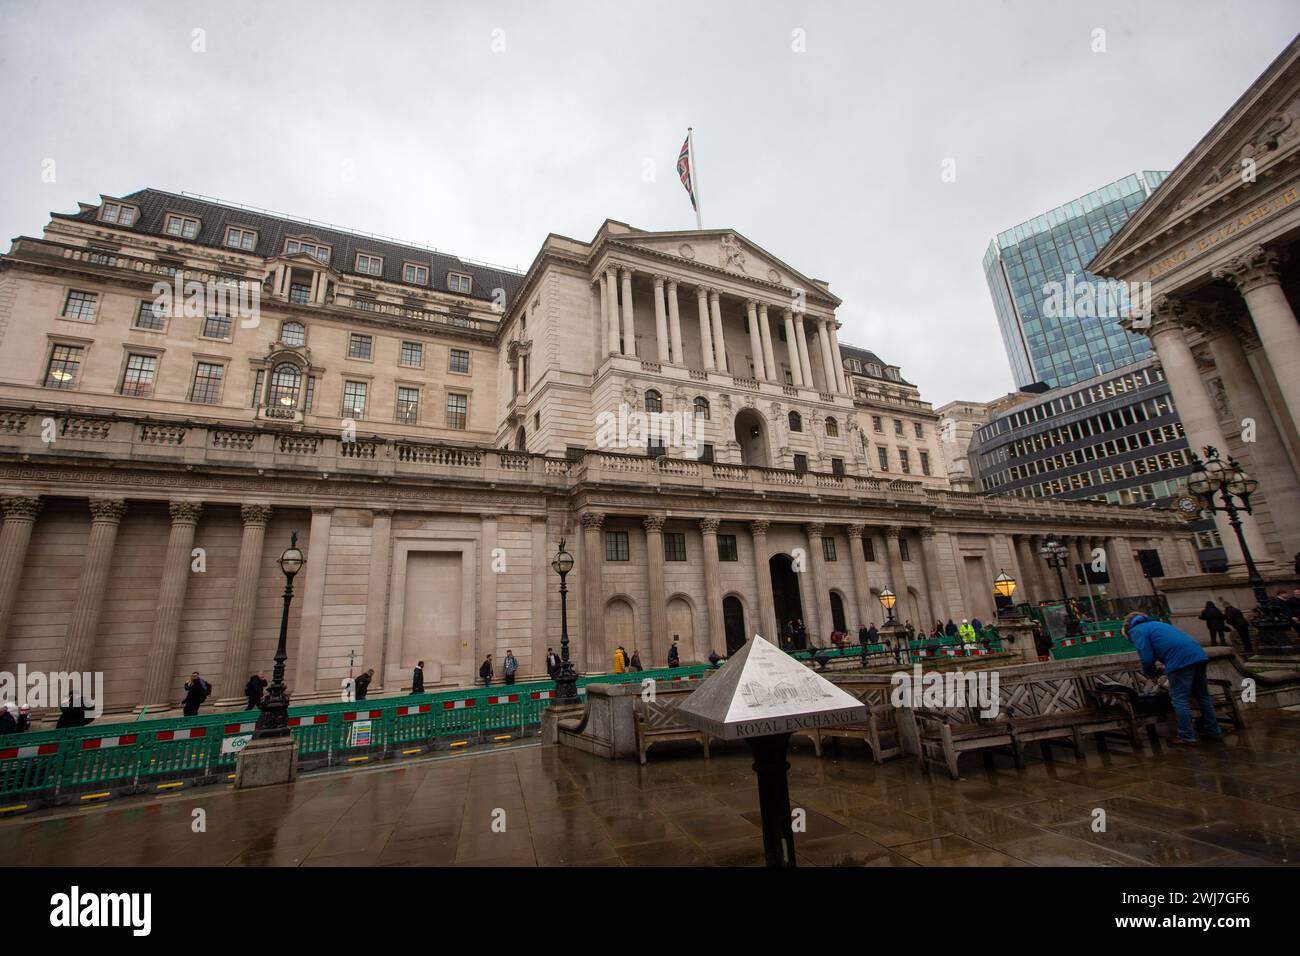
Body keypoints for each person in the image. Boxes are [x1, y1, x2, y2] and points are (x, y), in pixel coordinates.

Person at [1123, 611, 1222, 745]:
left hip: (1180, 661)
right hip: (1198, 655)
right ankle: (1214, 731)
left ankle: (1186, 736)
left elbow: (1146, 658)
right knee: (1203, 696)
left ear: (1128, 627)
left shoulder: (1136, 630)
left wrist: (1150, 673)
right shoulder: (1156, 624)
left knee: (1179, 699)